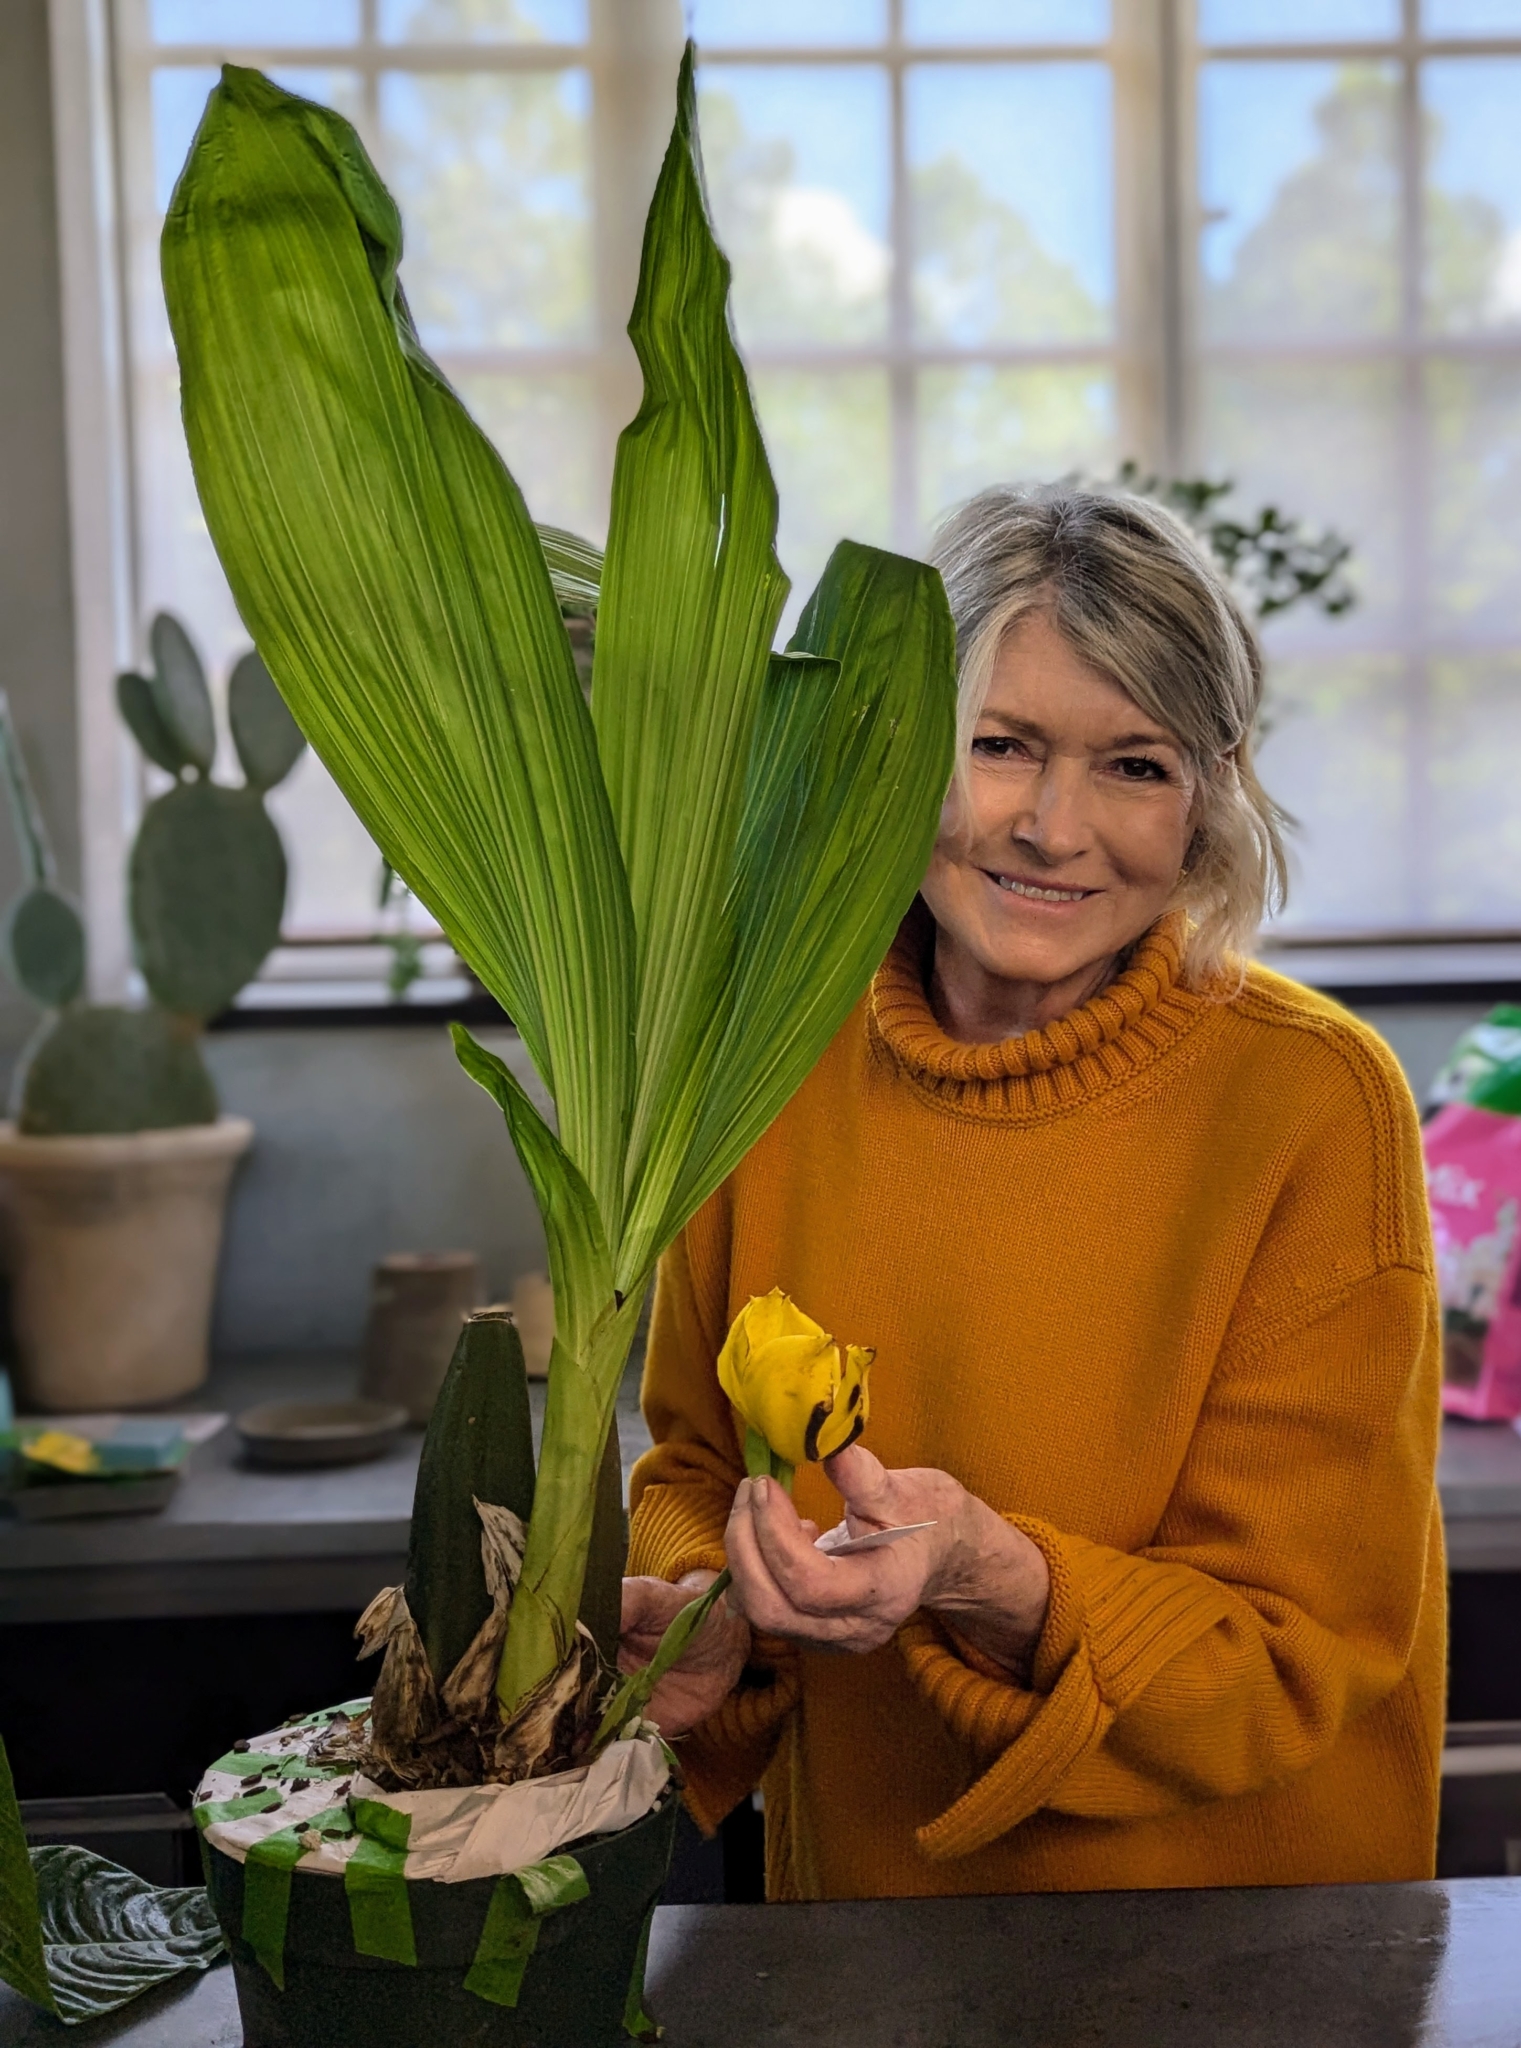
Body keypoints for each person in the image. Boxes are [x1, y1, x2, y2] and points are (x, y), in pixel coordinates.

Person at [619, 484, 1443, 1900]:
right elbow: (690, 1465)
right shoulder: (760, 1061)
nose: (1053, 829)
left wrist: (992, 1575)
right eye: (998, 746)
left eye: (1133, 764)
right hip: (868, 1937)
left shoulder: (1312, 1102)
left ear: (1209, 797)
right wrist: (714, 1607)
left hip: (1245, 1951)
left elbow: (1299, 1650)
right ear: (892, 755)